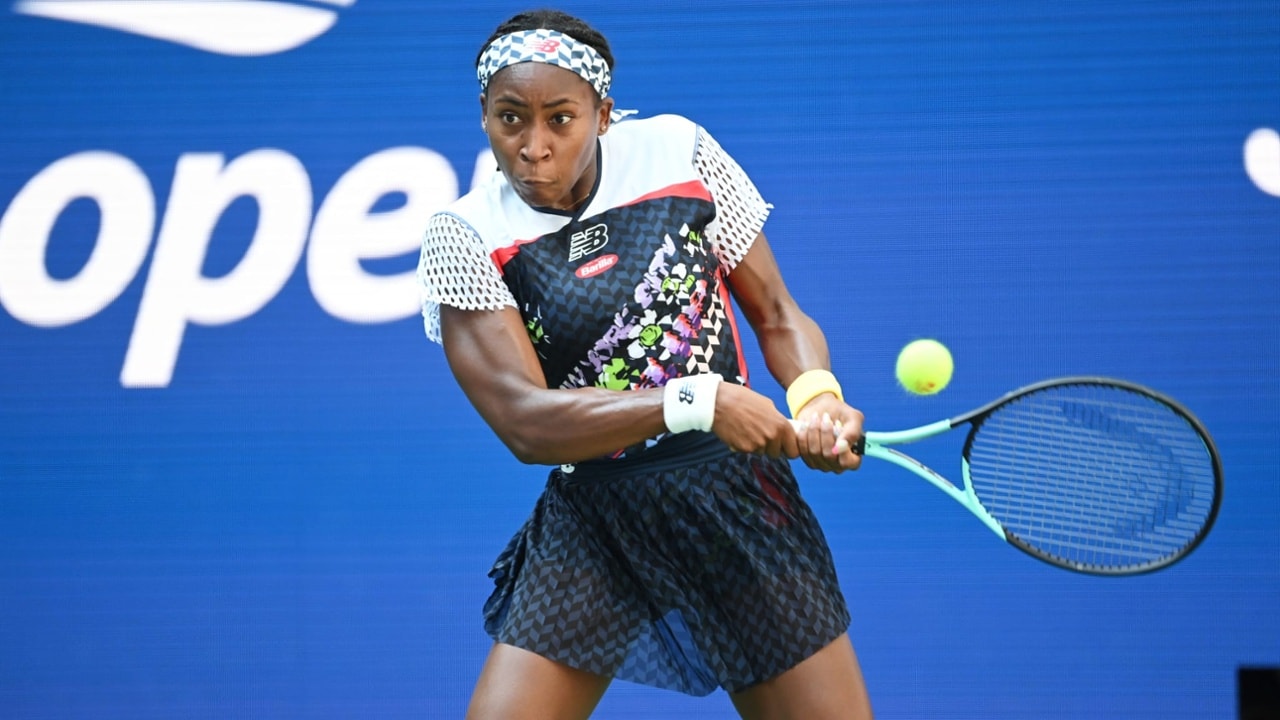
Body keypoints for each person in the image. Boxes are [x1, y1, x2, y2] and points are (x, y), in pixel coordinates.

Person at [417, 9, 874, 719]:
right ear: (483, 116)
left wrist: (816, 396)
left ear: (602, 114)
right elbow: (525, 423)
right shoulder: (466, 236)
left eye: (560, 119)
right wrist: (699, 401)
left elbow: (778, 313)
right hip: (594, 520)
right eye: (510, 119)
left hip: (736, 500)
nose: (533, 147)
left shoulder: (678, 154)